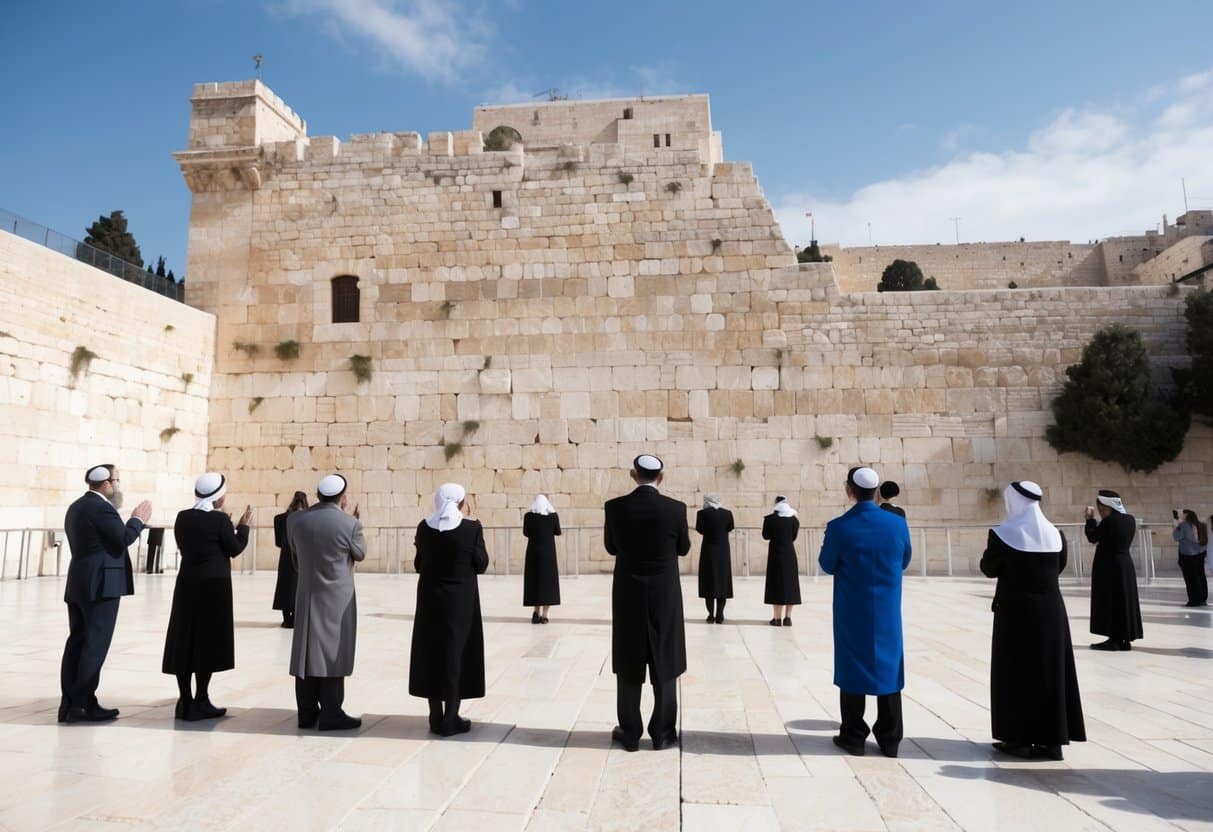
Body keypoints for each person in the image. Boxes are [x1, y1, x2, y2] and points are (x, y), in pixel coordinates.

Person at [980, 481, 1085, 761]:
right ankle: (1052, 741)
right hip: (1051, 611)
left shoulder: (1003, 535)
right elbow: (1059, 566)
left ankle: (1020, 739)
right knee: (1050, 671)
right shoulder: (1055, 534)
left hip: (1015, 612)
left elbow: (989, 568)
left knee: (1017, 672)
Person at [818, 466, 912, 758]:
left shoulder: (839, 527)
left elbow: (827, 564)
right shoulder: (897, 524)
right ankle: (890, 737)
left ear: (849, 490)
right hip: (886, 610)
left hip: (852, 610)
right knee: (888, 665)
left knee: (852, 666)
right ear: (875, 491)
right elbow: (905, 559)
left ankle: (854, 735)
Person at [604, 454, 690, 752]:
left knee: (629, 660)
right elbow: (683, 547)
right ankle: (663, 732)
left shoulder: (614, 508)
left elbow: (611, 546)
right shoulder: (676, 509)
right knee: (665, 658)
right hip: (664, 595)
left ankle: (630, 732)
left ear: (633, 474)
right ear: (661, 477)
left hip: (628, 593)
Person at [59, 464, 152, 723]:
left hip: (79, 582)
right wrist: (138, 520)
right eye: (117, 480)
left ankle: (71, 702)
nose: (118, 486)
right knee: (95, 645)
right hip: (101, 585)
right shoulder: (101, 508)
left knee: (77, 642)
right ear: (106, 483)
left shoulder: (76, 506)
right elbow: (123, 538)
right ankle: (81, 704)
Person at [162, 473, 251, 721]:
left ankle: (185, 701)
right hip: (214, 588)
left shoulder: (183, 517)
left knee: (185, 640)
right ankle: (201, 699)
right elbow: (234, 548)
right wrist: (243, 526)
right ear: (217, 496)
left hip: (187, 585)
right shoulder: (220, 521)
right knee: (206, 642)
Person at [409, 483, 490, 736]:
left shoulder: (424, 528)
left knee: (431, 652)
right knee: (457, 653)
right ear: (462, 503)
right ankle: (451, 717)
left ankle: (435, 716)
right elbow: (482, 563)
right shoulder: (471, 528)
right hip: (460, 603)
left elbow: (419, 563)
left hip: (430, 600)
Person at [288, 474, 365, 731]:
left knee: (306, 653)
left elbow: (295, 559)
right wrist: (353, 520)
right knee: (333, 652)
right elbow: (360, 553)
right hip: (337, 599)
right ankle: (332, 712)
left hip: (307, 594)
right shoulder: (349, 524)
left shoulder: (296, 520)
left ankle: (306, 713)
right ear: (342, 496)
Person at [1084, 490, 1144, 649]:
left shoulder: (1109, 522)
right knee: (1123, 600)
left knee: (1111, 601)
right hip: (1125, 565)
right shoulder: (1130, 520)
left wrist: (1090, 520)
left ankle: (1114, 639)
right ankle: (1124, 639)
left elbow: (1092, 537)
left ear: (1105, 506)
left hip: (1109, 567)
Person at [762, 496, 801, 626]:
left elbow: (765, 536)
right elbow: (794, 536)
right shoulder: (794, 519)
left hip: (775, 556)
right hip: (790, 555)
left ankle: (777, 618)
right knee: (790, 585)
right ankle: (788, 618)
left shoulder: (769, 519)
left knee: (776, 585)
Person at [522, 494, 561, 623]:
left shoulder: (528, 516)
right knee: (548, 583)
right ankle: (544, 615)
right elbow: (558, 531)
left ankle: (536, 611)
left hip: (533, 553)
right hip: (548, 554)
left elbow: (526, 533)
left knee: (535, 582)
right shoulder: (553, 516)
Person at [696, 494, 735, 623]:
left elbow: (700, 529)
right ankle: (720, 615)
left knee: (709, 584)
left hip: (708, 551)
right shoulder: (727, 514)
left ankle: (710, 615)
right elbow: (730, 527)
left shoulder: (702, 514)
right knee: (722, 583)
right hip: (723, 552)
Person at [272, 491, 309, 628]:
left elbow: (278, 542)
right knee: (299, 586)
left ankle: (287, 619)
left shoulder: (280, 519)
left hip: (286, 557)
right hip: (303, 557)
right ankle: (296, 618)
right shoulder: (308, 518)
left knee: (284, 585)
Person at [1173, 509, 1209, 607]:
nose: (1182, 515)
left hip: (1188, 554)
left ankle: (1194, 600)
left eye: (1183, 513)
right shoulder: (1202, 525)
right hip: (1200, 553)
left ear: (1187, 515)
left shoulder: (1183, 525)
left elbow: (1176, 537)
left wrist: (1177, 526)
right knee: (1201, 576)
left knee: (1190, 578)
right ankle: (1203, 599)